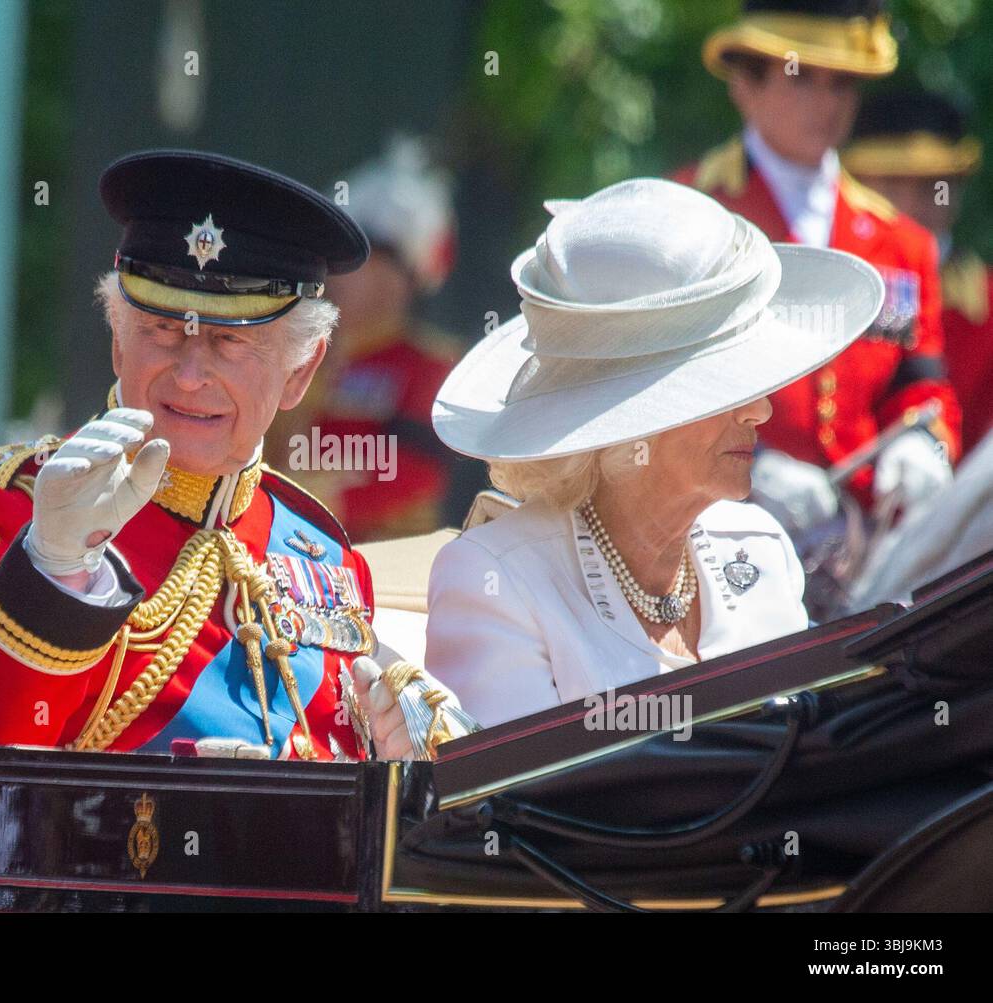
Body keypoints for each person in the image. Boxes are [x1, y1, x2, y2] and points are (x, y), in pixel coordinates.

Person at [0, 150, 459, 761]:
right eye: (161, 331)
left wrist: (411, 770)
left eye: (230, 343)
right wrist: (49, 571)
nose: (189, 376)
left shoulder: (322, 548)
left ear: (301, 369)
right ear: (116, 340)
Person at [424, 178, 884, 728]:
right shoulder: (495, 582)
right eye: (723, 387)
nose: (760, 411)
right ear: (627, 425)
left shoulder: (761, 552)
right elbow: (517, 808)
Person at [674, 0, 958, 533]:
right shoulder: (686, 217)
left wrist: (924, 445)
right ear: (744, 84)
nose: (827, 103)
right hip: (716, 531)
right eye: (802, 77)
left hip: (862, 546)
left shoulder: (903, 245)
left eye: (844, 84)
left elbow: (920, 389)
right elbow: (654, 390)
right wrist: (749, 467)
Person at [266, 137, 462, 541]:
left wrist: (307, 500)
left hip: (382, 556)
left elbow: (415, 472)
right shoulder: (298, 349)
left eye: (352, 263)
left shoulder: (431, 365)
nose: (333, 275)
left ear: (396, 278)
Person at [842, 89, 993, 458]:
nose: (910, 205)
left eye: (931, 186)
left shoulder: (987, 300)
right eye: (891, 186)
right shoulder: (826, 293)